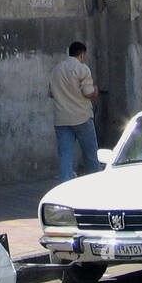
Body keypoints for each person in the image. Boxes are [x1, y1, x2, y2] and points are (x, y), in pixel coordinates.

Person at [49, 41, 103, 182]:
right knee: (90, 154)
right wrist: (95, 90)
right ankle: (95, 182)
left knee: (65, 155)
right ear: (82, 54)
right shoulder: (82, 69)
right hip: (81, 117)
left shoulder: (56, 70)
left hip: (61, 118)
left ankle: (64, 183)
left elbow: (51, 93)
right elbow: (87, 92)